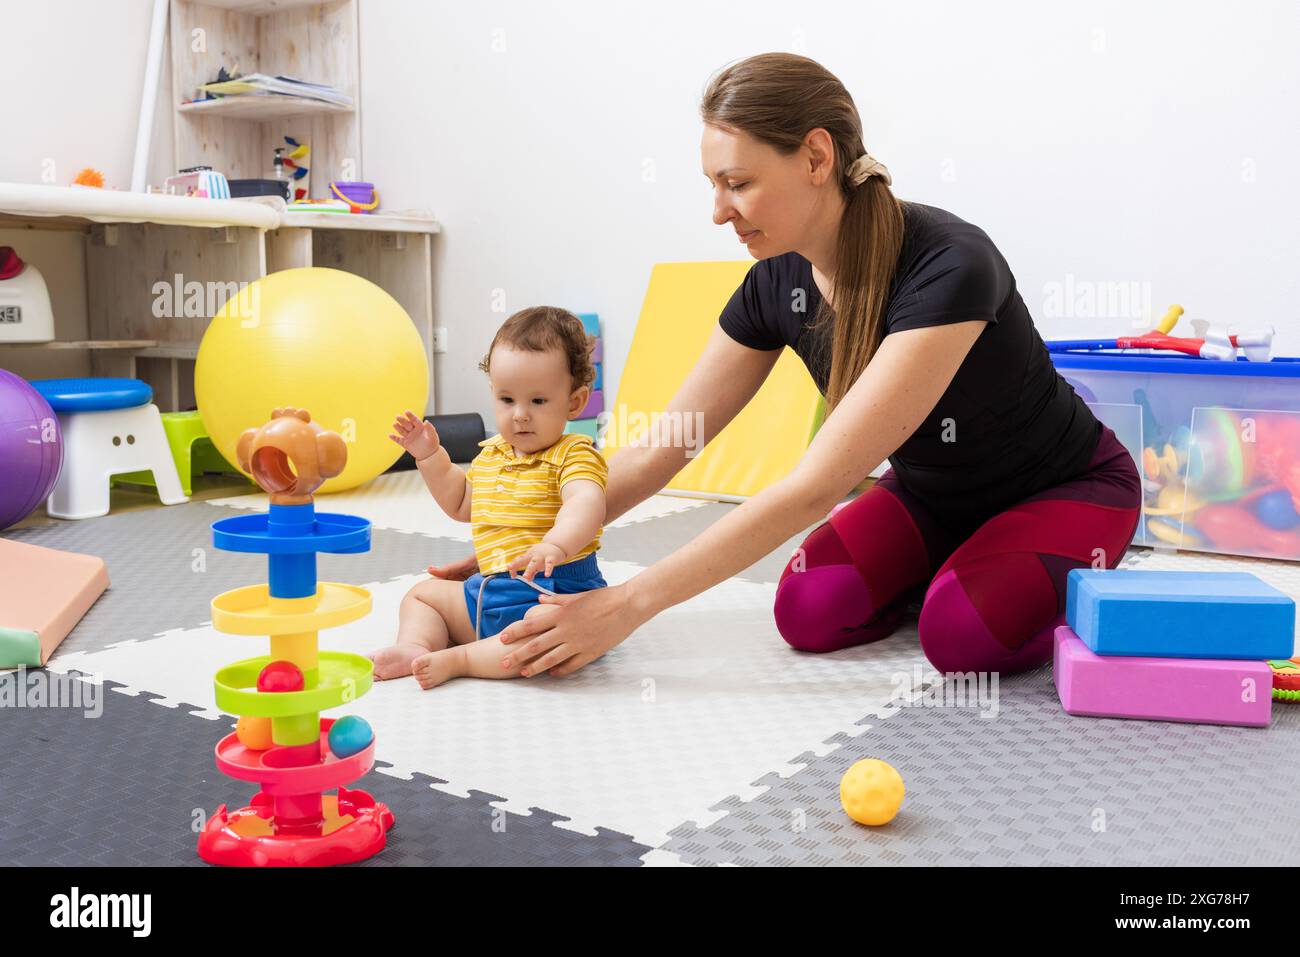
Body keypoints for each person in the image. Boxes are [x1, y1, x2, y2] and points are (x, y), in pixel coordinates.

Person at [430, 52, 1141, 680]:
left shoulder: (950, 265)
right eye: (713, 184)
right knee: (808, 607)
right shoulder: (776, 283)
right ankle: (964, 561)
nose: (718, 211)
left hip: (1066, 487)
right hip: (934, 496)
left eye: (736, 182)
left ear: (815, 157)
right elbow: (662, 448)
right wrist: (521, 539)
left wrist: (624, 605)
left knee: (960, 633)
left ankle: (1014, 568)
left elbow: (812, 488)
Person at [367, 306, 609, 689]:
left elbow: (586, 502)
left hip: (551, 594)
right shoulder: (493, 453)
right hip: (487, 593)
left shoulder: (573, 453)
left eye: (539, 401)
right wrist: (429, 456)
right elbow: (462, 503)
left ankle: (461, 658)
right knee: (423, 596)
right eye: (507, 399)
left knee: (534, 643)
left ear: (575, 402)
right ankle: (415, 645)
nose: (520, 415)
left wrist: (555, 545)